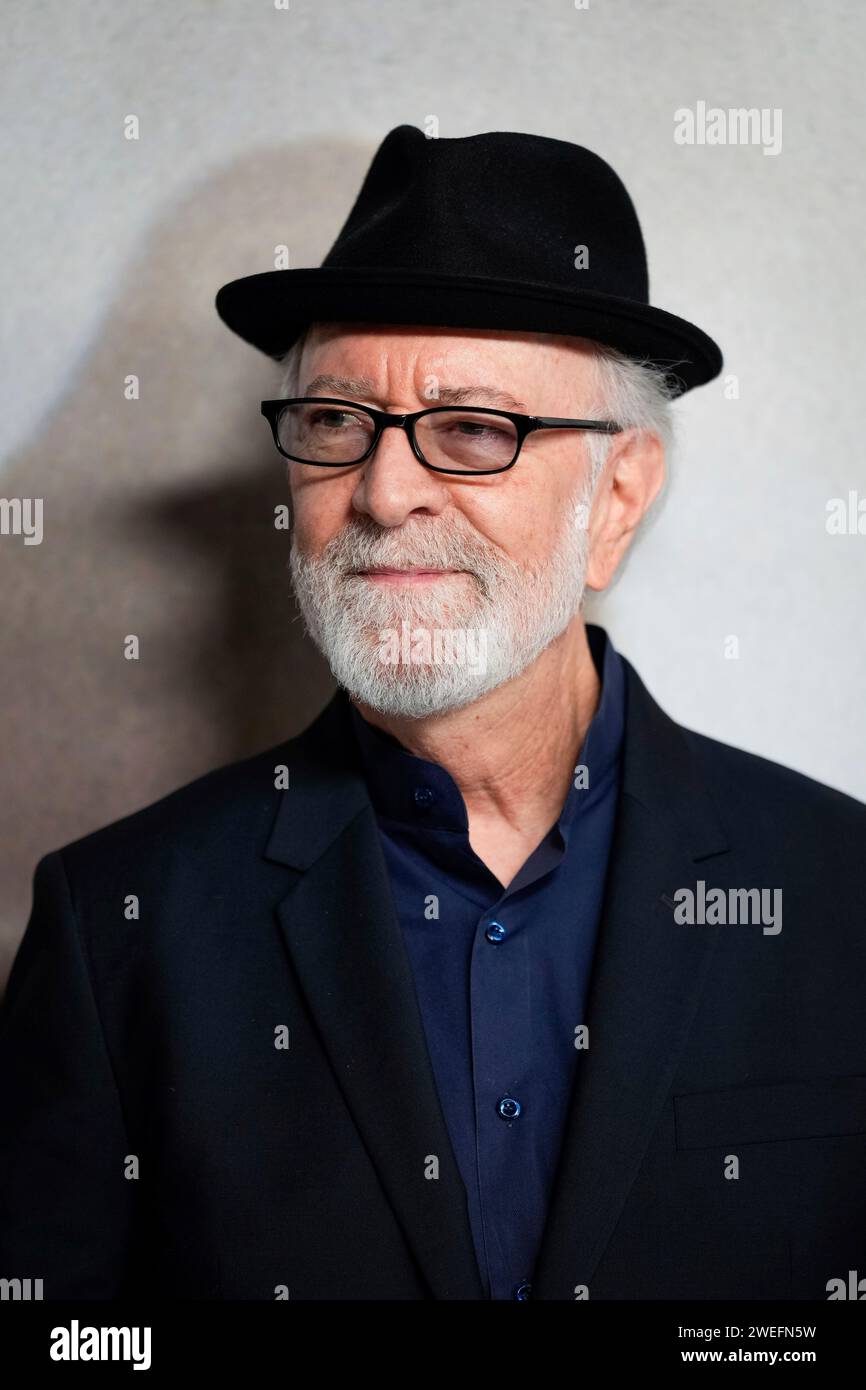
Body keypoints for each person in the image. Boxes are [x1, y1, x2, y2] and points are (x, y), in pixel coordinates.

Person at [1, 125, 864, 1302]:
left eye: (472, 428)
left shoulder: (839, 892)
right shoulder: (116, 929)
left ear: (615, 499)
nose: (382, 490)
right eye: (333, 422)